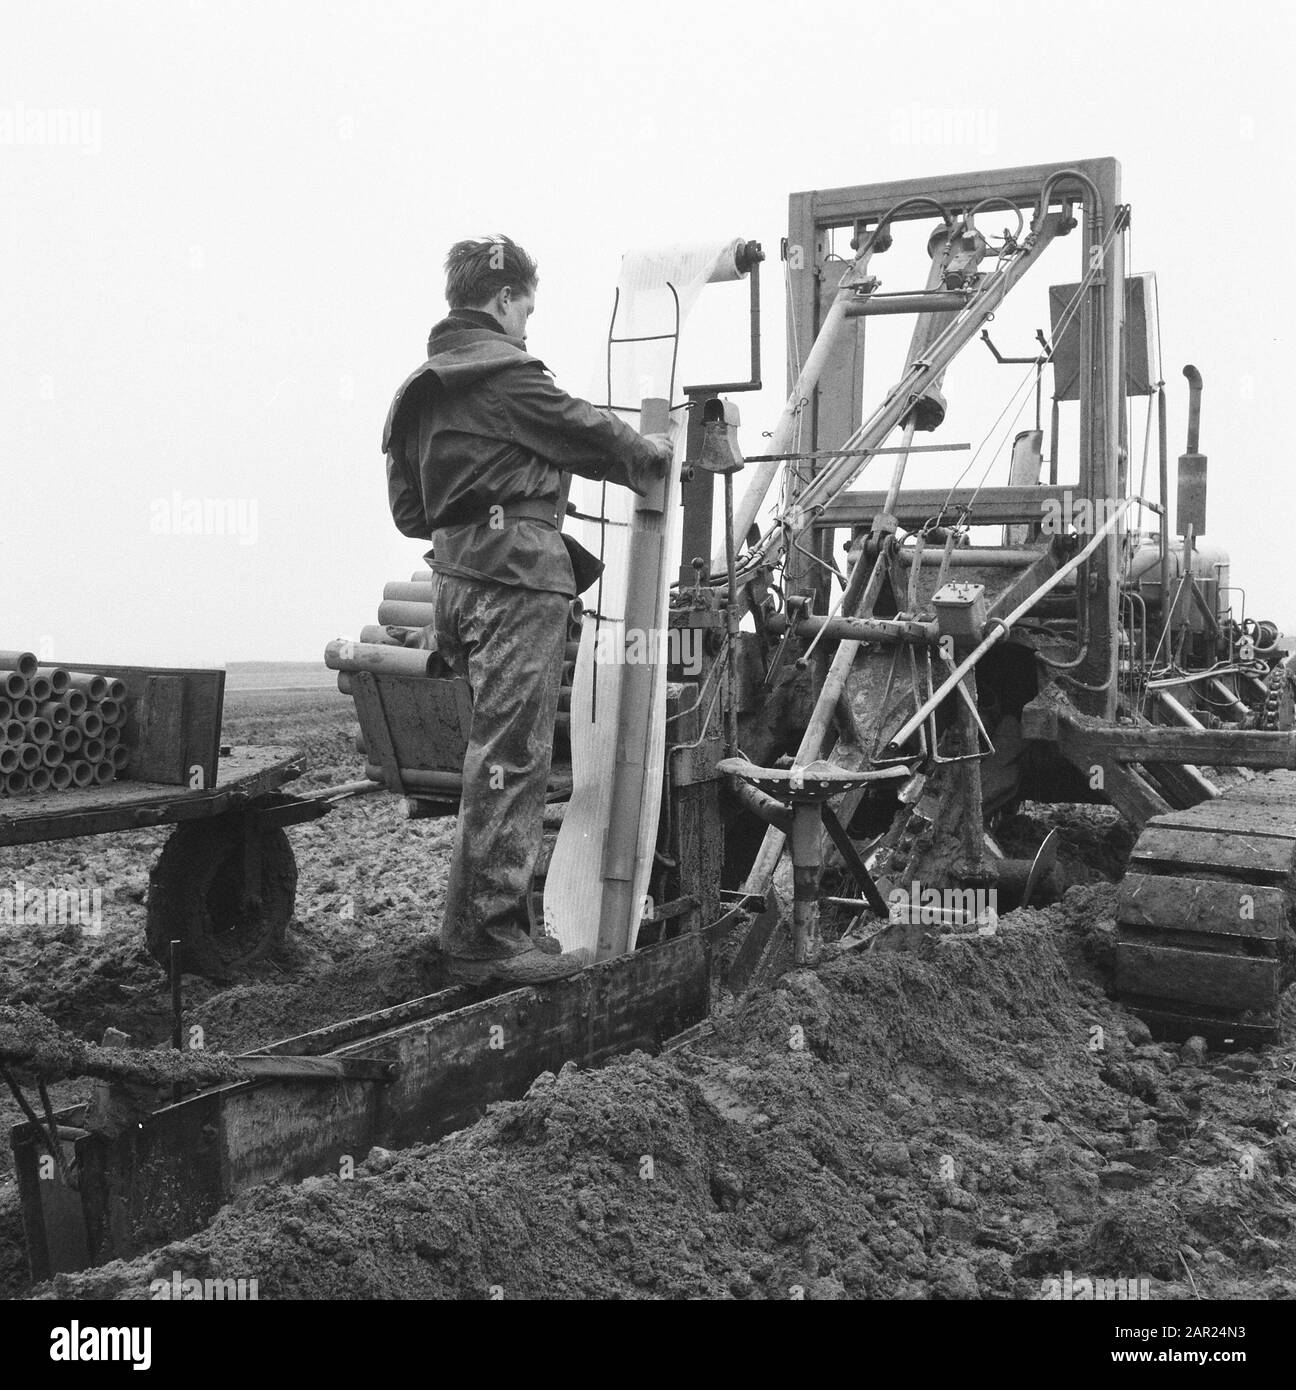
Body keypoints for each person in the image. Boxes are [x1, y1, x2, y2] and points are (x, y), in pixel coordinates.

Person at [382, 235, 672, 985]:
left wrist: (481, 492)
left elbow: (411, 513)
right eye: (526, 310)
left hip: (454, 584)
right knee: (513, 760)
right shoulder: (505, 373)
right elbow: (585, 430)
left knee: (489, 759)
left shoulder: (418, 393)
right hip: (515, 583)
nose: (527, 327)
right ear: (504, 298)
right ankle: (490, 943)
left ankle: (468, 933)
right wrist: (658, 457)